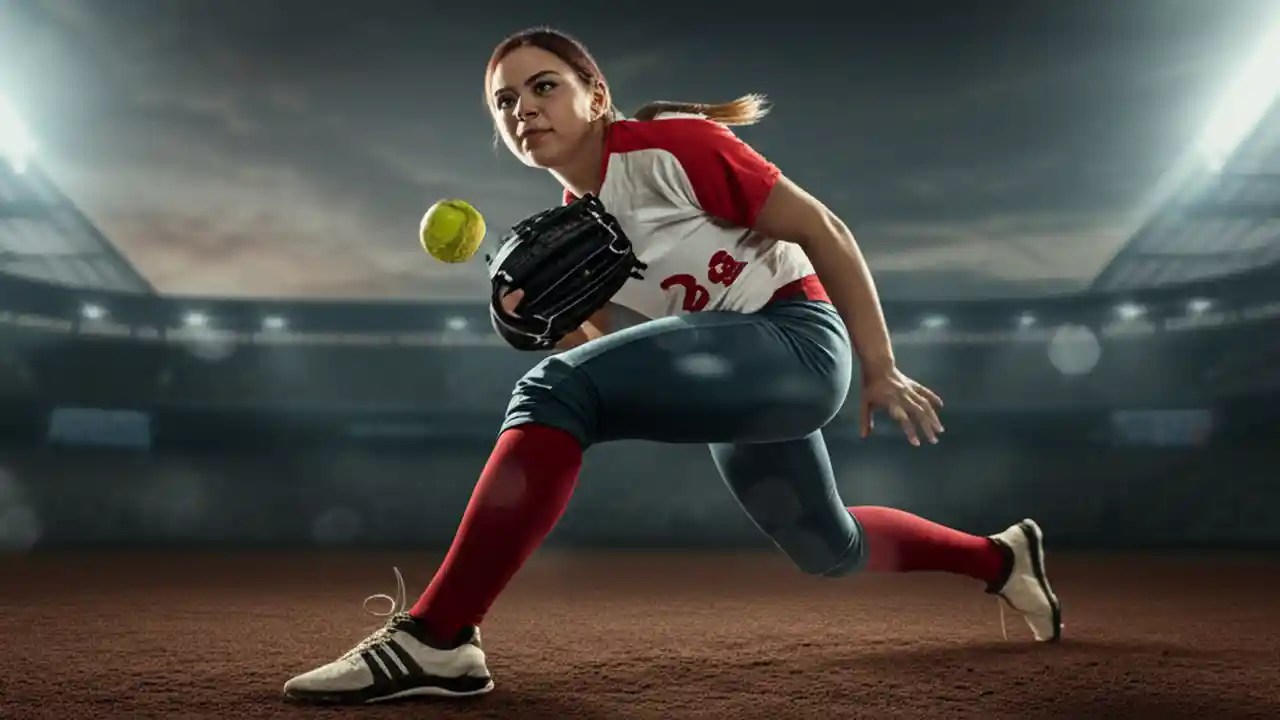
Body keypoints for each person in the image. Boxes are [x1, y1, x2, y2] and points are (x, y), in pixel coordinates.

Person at [282, 26, 1062, 705]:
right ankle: (1000, 557)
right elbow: (614, 359)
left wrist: (880, 367)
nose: (522, 108)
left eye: (542, 86)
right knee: (829, 549)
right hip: (733, 371)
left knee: (551, 395)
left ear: (595, 94)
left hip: (794, 338)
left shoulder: (668, 150)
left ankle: (439, 637)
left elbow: (824, 228)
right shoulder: (567, 237)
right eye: (504, 102)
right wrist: (538, 322)